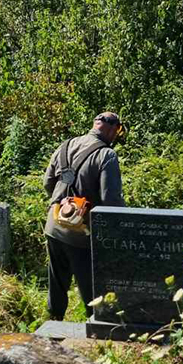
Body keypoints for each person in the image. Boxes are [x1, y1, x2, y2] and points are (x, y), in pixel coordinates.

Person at [43, 111, 125, 320]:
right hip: (82, 233)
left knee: (57, 283)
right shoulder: (107, 155)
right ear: (112, 129)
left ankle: (53, 325)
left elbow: (48, 184)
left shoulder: (66, 145)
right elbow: (110, 200)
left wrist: (64, 205)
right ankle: (97, 328)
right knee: (91, 289)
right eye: (118, 131)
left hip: (54, 225)